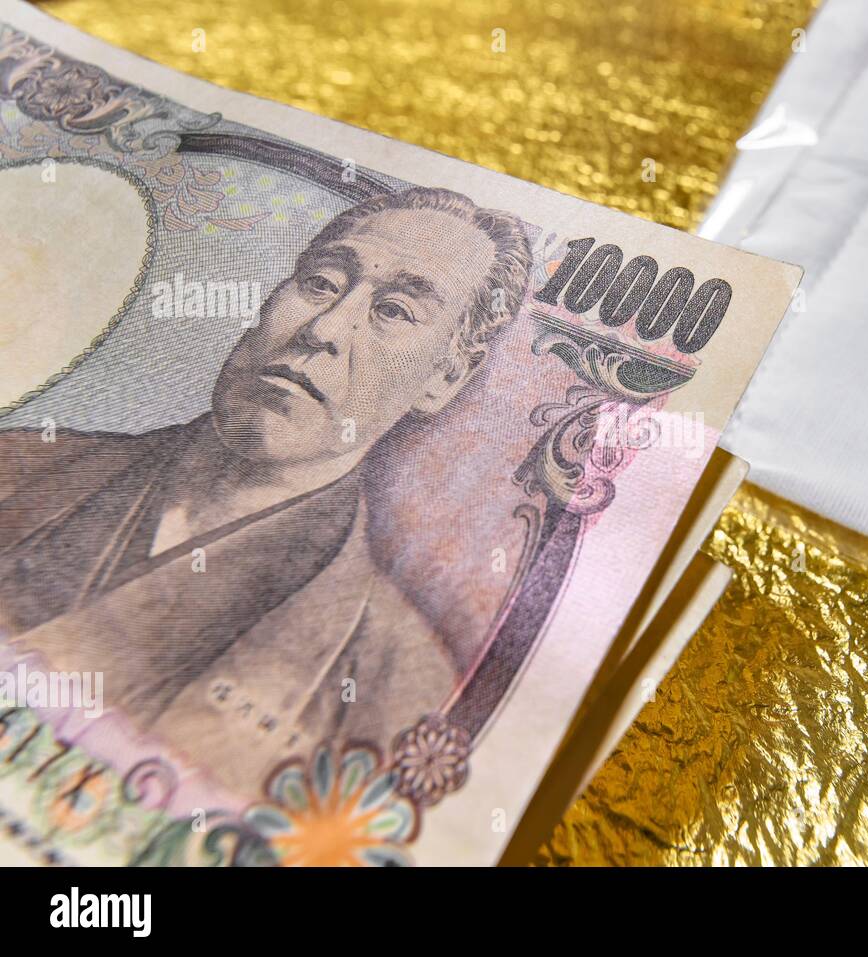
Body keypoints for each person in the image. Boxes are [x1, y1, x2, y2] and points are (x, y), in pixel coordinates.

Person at [0, 186, 532, 789]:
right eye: (322, 283)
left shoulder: (401, 685)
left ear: (446, 377)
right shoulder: (16, 463)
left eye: (394, 311)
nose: (325, 327)